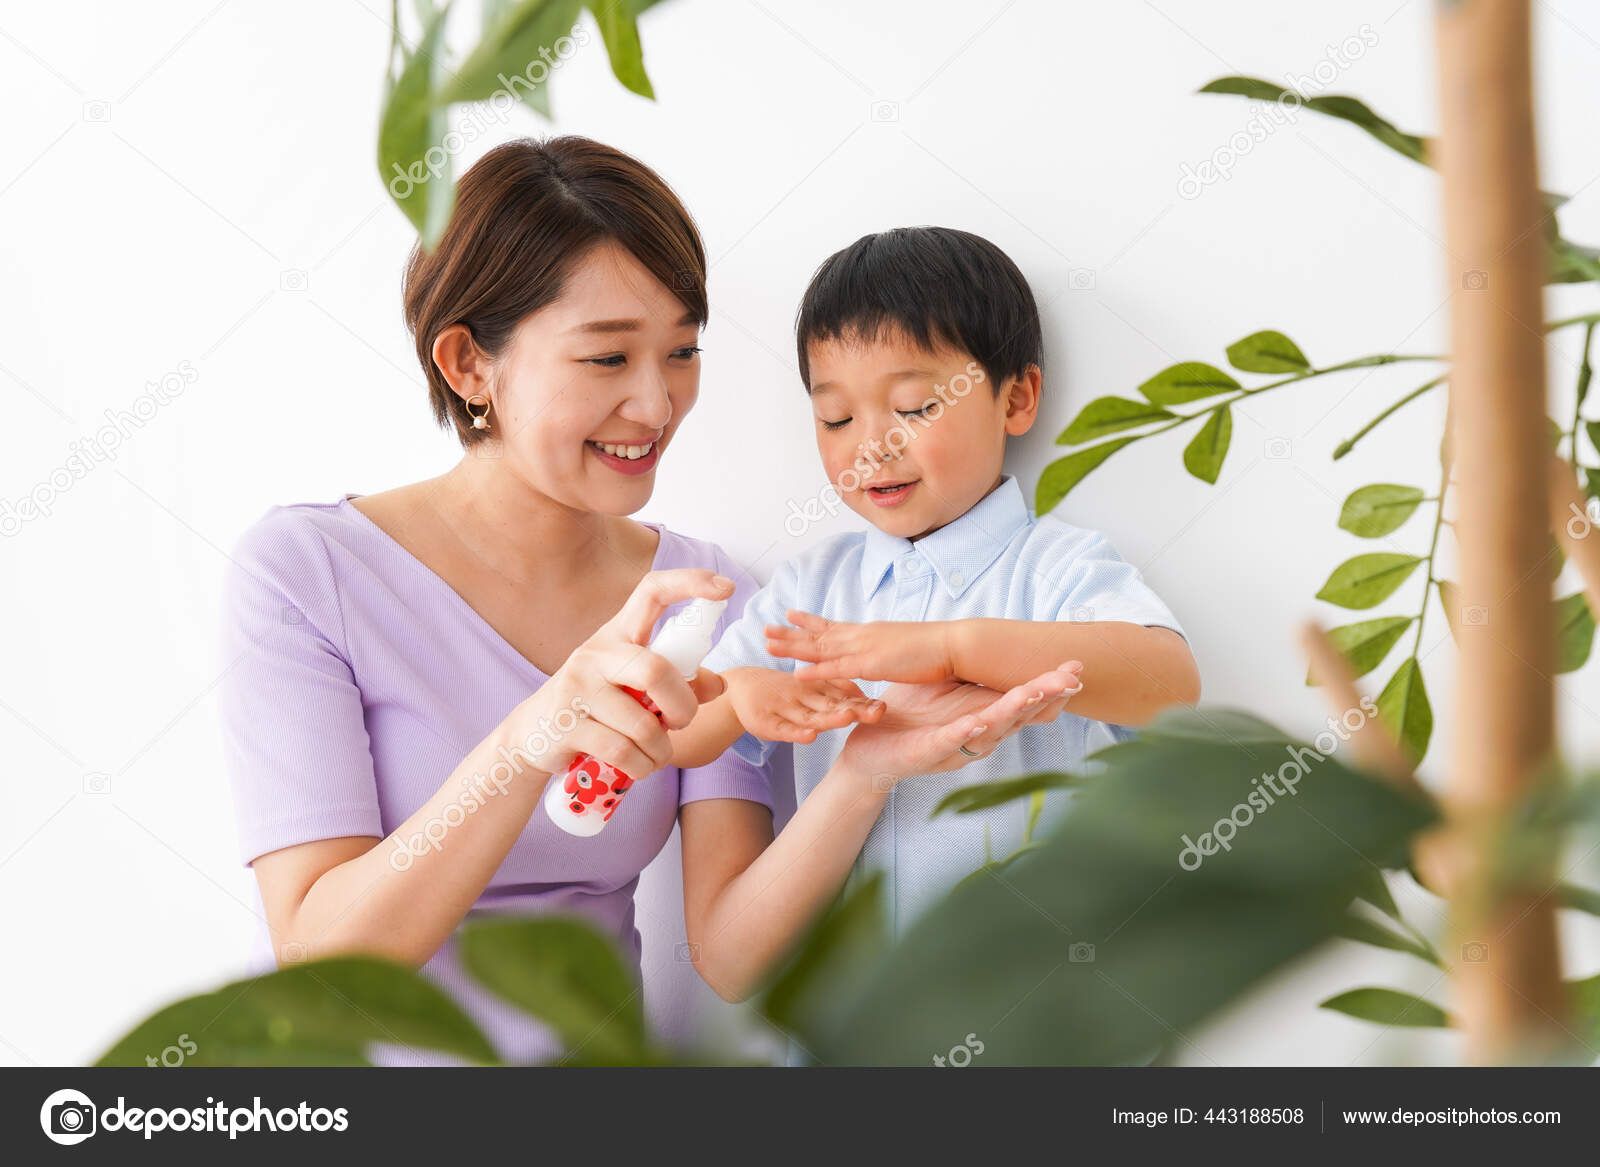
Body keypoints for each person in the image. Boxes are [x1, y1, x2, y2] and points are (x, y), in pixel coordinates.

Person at [218, 139, 1065, 1064]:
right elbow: (320, 963)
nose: (657, 404)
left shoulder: (706, 597)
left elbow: (738, 953)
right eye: (609, 357)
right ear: (468, 366)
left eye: (681, 352)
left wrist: (863, 772)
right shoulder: (308, 572)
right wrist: (531, 736)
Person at [673, 227, 1202, 949]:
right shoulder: (808, 589)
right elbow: (679, 736)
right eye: (836, 417)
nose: (872, 444)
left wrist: (956, 648)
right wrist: (740, 698)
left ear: (1016, 399)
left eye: (916, 406)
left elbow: (1170, 683)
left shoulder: (1056, 569)